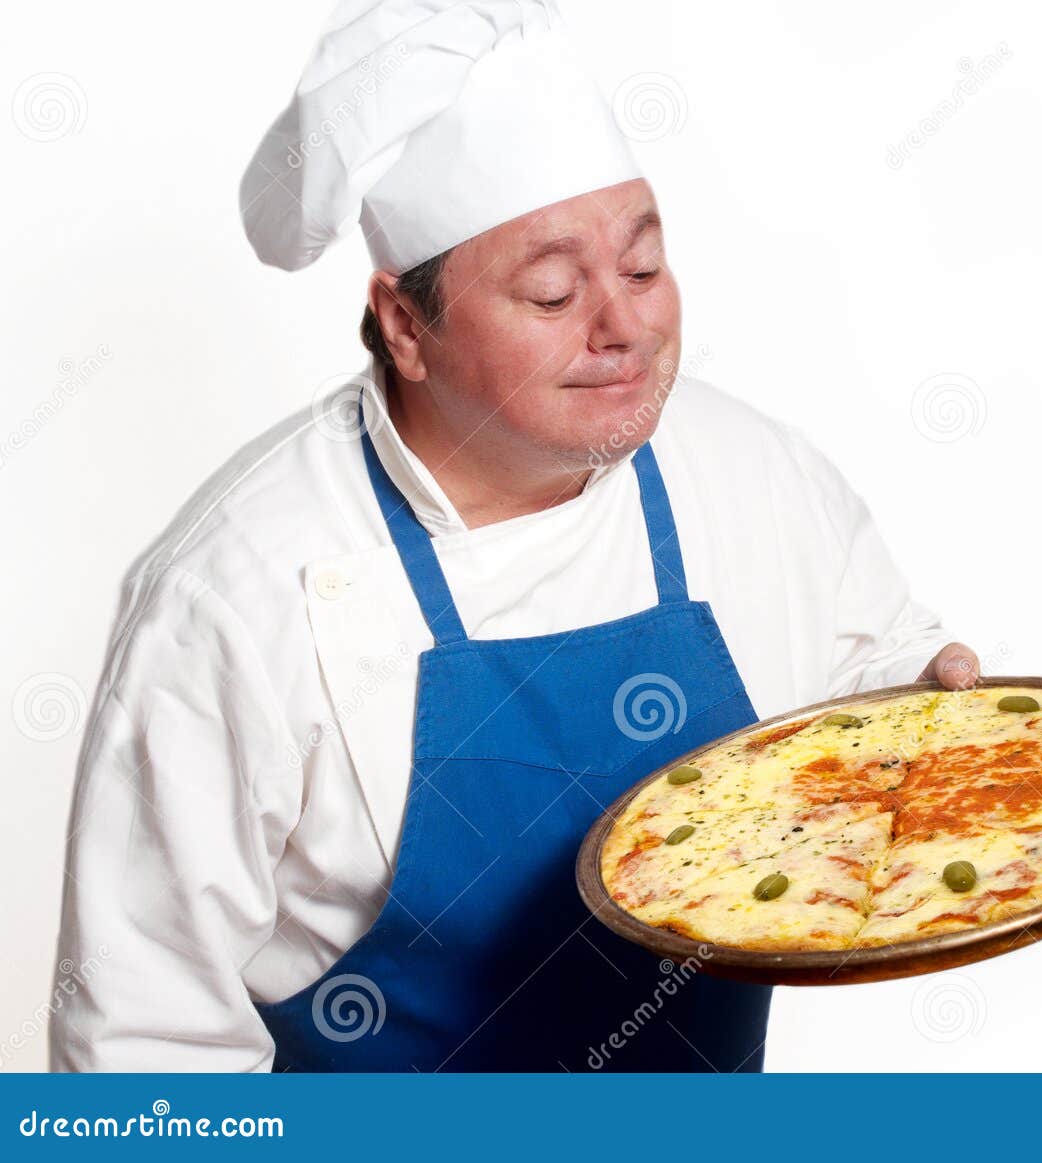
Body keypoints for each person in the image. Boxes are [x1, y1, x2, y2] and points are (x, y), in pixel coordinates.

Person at [51, 0, 978, 1072]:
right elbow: (140, 1045)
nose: (622, 327)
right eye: (550, 290)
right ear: (406, 325)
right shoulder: (238, 592)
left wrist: (927, 703)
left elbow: (863, 669)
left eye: (641, 270)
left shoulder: (747, 470)